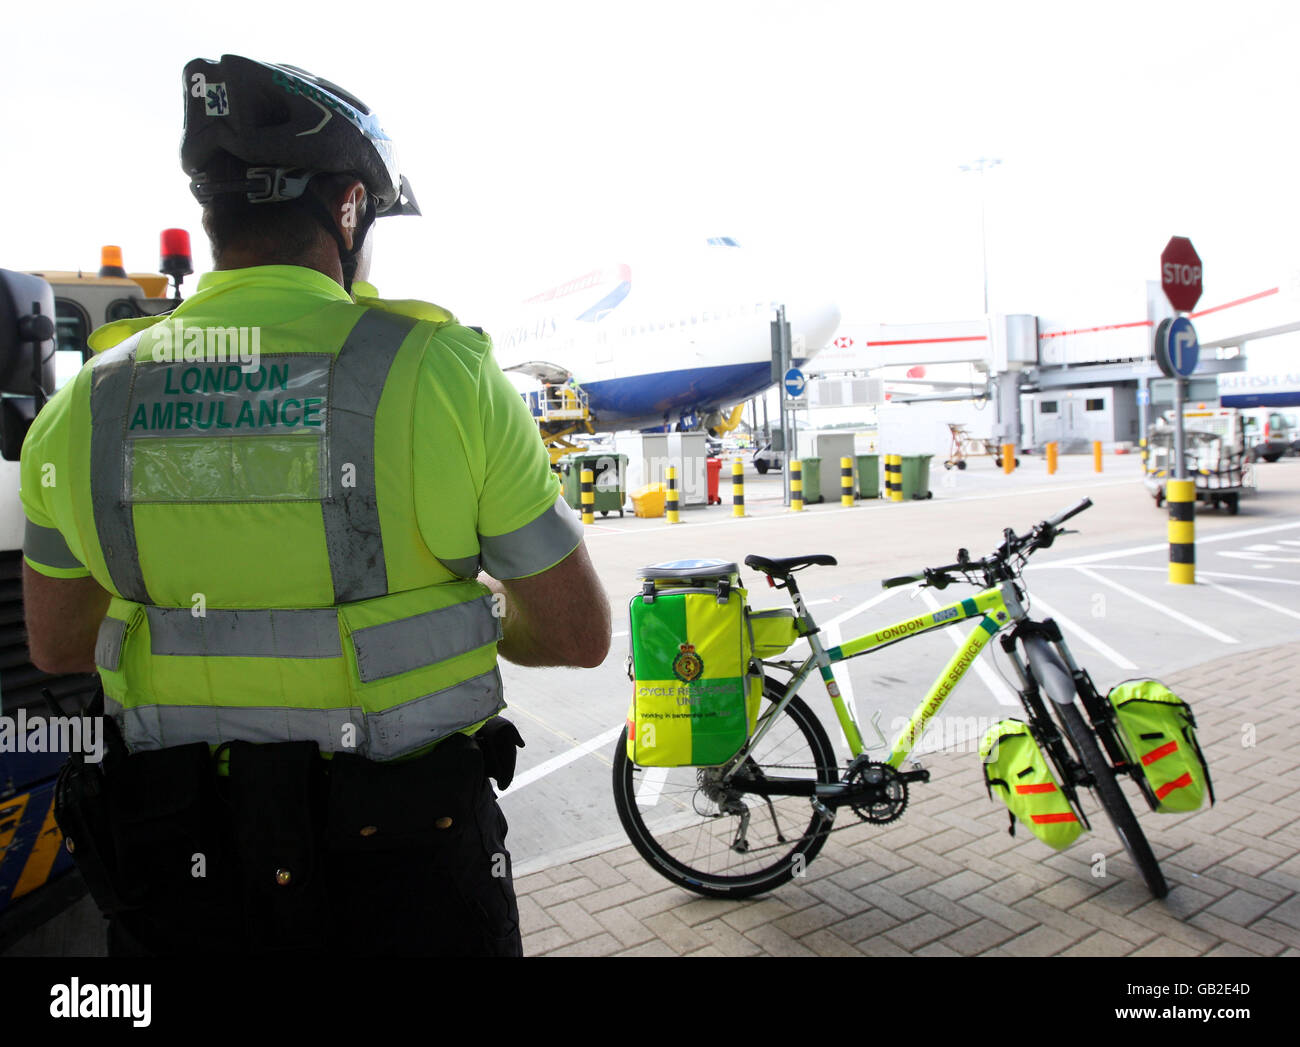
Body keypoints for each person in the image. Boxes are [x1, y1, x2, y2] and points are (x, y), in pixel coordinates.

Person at [19, 54, 610, 956]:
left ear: (213, 215)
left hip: (185, 873)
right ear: (347, 210)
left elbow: (59, 644)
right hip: (407, 866)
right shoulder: (441, 376)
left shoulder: (82, 407)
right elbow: (576, 634)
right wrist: (466, 619)